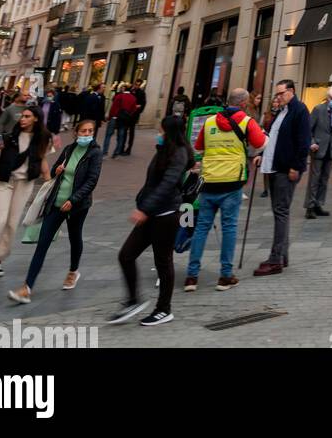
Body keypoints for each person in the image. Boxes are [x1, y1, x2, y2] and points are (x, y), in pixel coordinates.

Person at [111, 115, 197, 326]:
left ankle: (163, 309)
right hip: (151, 213)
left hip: (166, 216)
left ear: (168, 132)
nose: (158, 134)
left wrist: (144, 209)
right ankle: (133, 300)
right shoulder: (167, 151)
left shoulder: (178, 153)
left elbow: (167, 184)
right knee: (126, 255)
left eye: (161, 131)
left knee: (163, 262)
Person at [8, 118, 103, 303]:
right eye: (83, 131)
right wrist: (57, 170)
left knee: (75, 238)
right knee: (42, 243)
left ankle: (73, 271)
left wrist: (73, 200)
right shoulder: (69, 149)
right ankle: (27, 288)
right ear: (76, 132)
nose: (87, 134)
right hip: (56, 203)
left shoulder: (95, 153)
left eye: (90, 131)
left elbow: (91, 181)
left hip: (77, 206)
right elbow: (52, 172)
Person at [183, 87, 267, 292]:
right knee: (229, 227)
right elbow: (261, 143)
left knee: (202, 227)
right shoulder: (247, 122)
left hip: (209, 180)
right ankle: (225, 275)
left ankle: (191, 276)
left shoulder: (210, 121)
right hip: (232, 182)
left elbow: (199, 146)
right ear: (244, 103)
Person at [0, 105, 51, 280]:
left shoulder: (43, 139)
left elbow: (43, 161)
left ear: (36, 119)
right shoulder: (10, 138)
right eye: (22, 116)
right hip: (5, 182)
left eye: (27, 116)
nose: (22, 119)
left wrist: (49, 184)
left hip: (24, 184)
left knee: (11, 223)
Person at [254, 80, 310, 276]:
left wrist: (296, 165)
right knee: (280, 211)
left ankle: (275, 258)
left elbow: (304, 141)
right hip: (275, 167)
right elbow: (274, 137)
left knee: (281, 212)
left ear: (291, 91)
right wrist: (262, 154)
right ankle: (282, 255)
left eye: (281, 93)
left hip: (286, 169)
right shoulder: (282, 111)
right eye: (276, 94)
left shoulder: (299, 110)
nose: (277, 97)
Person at [305, 86, 332, 219]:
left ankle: (318, 204)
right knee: (314, 178)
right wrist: (312, 142)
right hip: (318, 147)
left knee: (324, 178)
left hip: (330, 148)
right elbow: (308, 129)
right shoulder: (318, 109)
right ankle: (310, 206)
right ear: (328, 98)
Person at [107, 84, 139, 158]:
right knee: (121, 136)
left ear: (124, 89)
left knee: (108, 135)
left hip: (116, 117)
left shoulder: (119, 96)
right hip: (125, 119)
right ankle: (117, 151)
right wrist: (128, 115)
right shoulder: (133, 98)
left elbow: (113, 107)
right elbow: (134, 109)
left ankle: (105, 151)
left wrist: (110, 117)